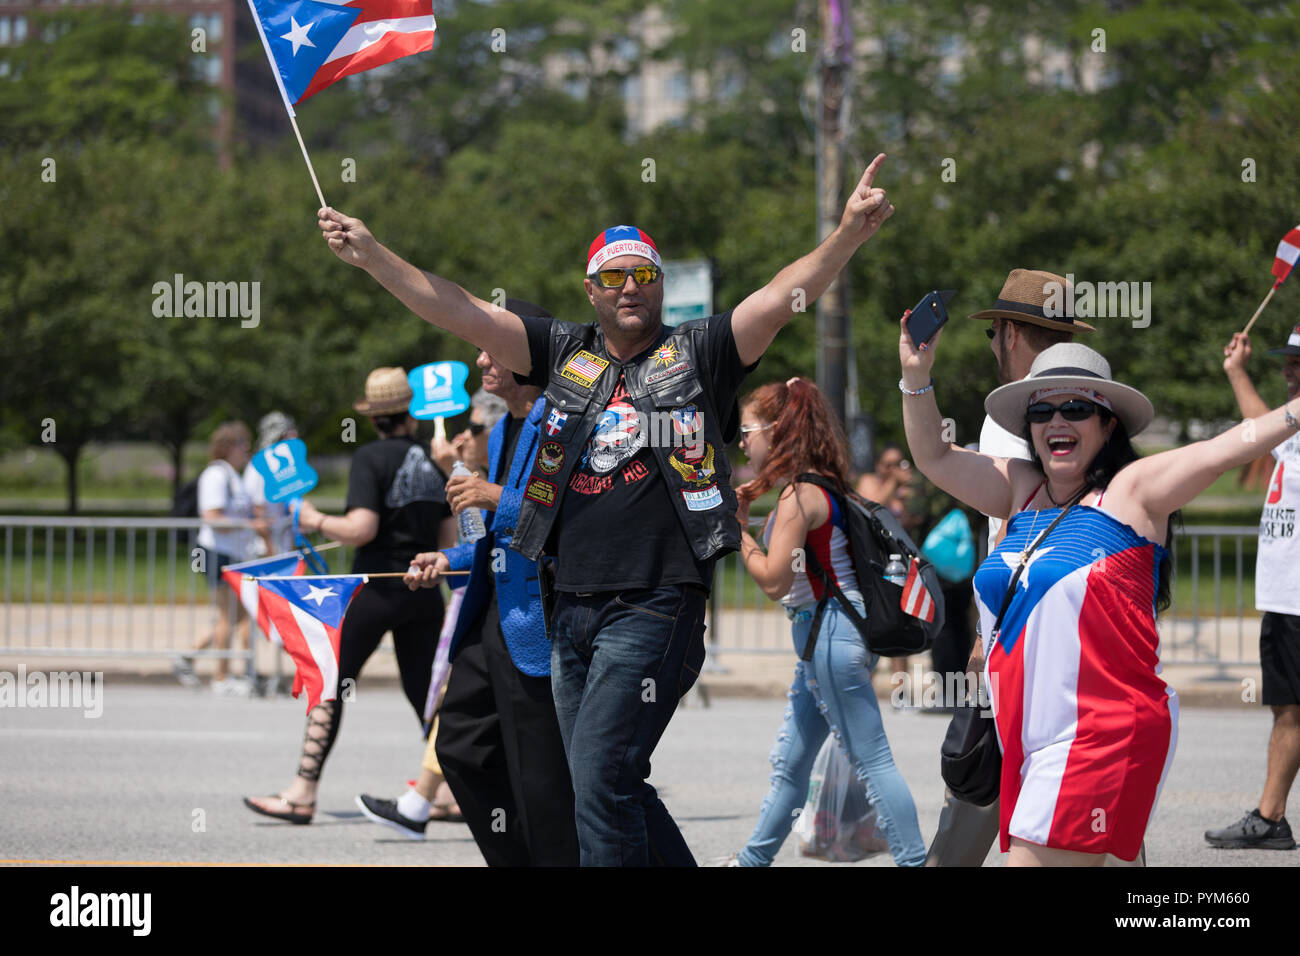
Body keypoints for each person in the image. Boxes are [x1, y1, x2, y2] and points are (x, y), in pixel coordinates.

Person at [317, 152, 896, 865]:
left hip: (656, 603)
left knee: (597, 778)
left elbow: (780, 295)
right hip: (572, 608)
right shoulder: (563, 353)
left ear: (659, 288)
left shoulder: (700, 352)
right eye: (614, 276)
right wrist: (374, 257)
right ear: (590, 289)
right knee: (612, 782)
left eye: (645, 275)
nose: (630, 288)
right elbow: (459, 307)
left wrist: (846, 235)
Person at [900, 327, 1300, 865]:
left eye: (1076, 408)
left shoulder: (1131, 491)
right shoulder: (1021, 487)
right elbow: (933, 456)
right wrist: (916, 376)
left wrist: (1294, 412)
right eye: (1042, 413)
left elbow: (1224, 450)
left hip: (1099, 732)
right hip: (1028, 734)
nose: (1057, 421)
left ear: (1107, 424)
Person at [371, 339, 581, 865]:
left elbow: (564, 516)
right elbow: (500, 536)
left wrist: (493, 497)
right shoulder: (505, 427)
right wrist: (449, 558)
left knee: (540, 778)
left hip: (535, 618)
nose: (482, 361)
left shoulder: (560, 421)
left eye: (493, 351)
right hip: (490, 615)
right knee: (460, 748)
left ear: (529, 359)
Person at [925, 268, 1092, 865]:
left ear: (1011, 334)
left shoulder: (1012, 409)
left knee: (971, 803)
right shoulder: (1092, 399)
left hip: (1018, 644)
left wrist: (982, 635)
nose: (993, 346)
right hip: (1084, 642)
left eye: (994, 333)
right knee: (1092, 813)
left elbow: (1009, 533)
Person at [243, 368, 457, 824]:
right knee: (427, 694)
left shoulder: (370, 458)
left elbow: (362, 529)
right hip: (422, 590)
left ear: (373, 416)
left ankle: (302, 792)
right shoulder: (434, 457)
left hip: (375, 588)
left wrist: (315, 519)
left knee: (331, 684)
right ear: (410, 413)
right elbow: (447, 533)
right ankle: (453, 793)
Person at [731, 377, 926, 867]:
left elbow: (775, 581)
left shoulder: (800, 496)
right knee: (790, 766)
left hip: (832, 637)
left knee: (872, 759)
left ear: (777, 431)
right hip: (826, 637)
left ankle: (916, 862)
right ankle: (751, 861)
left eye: (747, 429)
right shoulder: (822, 486)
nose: (741, 440)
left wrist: (738, 535)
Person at [1204, 325, 1300, 850]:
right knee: (1288, 706)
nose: (1288, 369)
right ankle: (1271, 816)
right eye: (1286, 360)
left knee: (1291, 707)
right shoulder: (1290, 427)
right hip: (1286, 597)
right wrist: (1237, 372)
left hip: (1297, 598)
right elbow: (1258, 427)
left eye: (1298, 363)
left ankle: (1270, 815)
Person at [175, 421, 267, 695]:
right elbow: (212, 517)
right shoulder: (216, 475)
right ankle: (220, 677)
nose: (246, 451)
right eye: (243, 445)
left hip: (232, 551)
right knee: (227, 616)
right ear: (229, 447)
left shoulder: (233, 475)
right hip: (217, 550)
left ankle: (189, 657)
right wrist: (250, 526)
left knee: (237, 615)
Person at [244, 411, 299, 556]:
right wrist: (272, 551)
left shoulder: (281, 465)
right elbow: (258, 513)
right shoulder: (260, 466)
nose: (294, 436)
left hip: (282, 547)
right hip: (264, 550)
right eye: (289, 433)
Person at [854, 442, 910, 517]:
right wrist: (894, 481)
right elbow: (873, 507)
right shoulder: (868, 480)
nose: (894, 470)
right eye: (888, 465)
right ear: (878, 465)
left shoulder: (905, 487)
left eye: (898, 464)